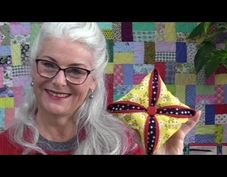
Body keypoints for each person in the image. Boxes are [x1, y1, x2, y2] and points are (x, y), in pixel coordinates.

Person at [0, 22, 201, 155]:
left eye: (76, 71)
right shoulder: (4, 146)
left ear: (94, 81)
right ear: (33, 68)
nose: (60, 81)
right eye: (49, 65)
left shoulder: (123, 146)